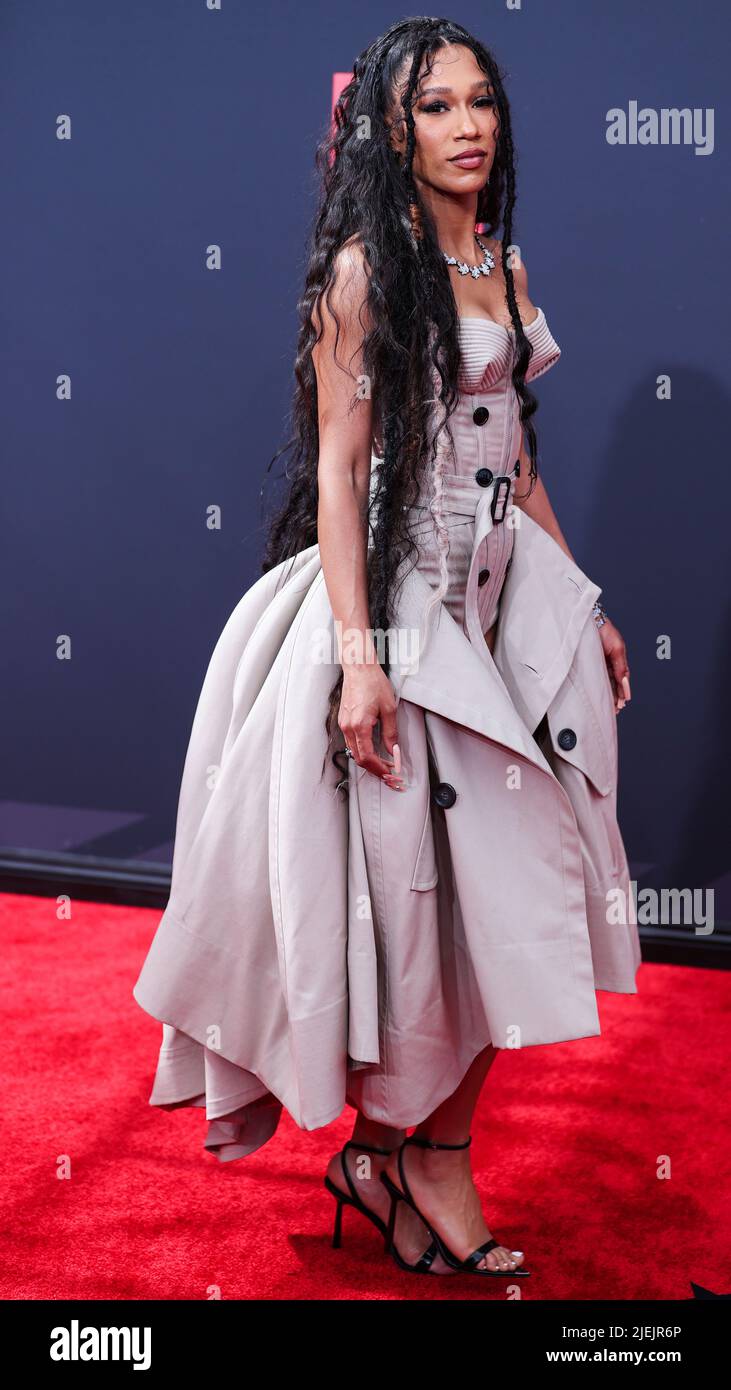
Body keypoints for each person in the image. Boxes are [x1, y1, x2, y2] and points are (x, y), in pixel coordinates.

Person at [133, 17, 641, 1280]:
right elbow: (341, 466)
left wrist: (586, 599)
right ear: (391, 130)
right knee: (423, 919)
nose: (467, 126)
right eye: (436, 107)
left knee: (525, 897)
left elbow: (512, 461)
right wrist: (360, 656)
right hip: (404, 618)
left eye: (481, 103)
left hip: (506, 608)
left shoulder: (505, 268)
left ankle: (401, 1154)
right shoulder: (366, 272)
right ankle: (417, 1155)